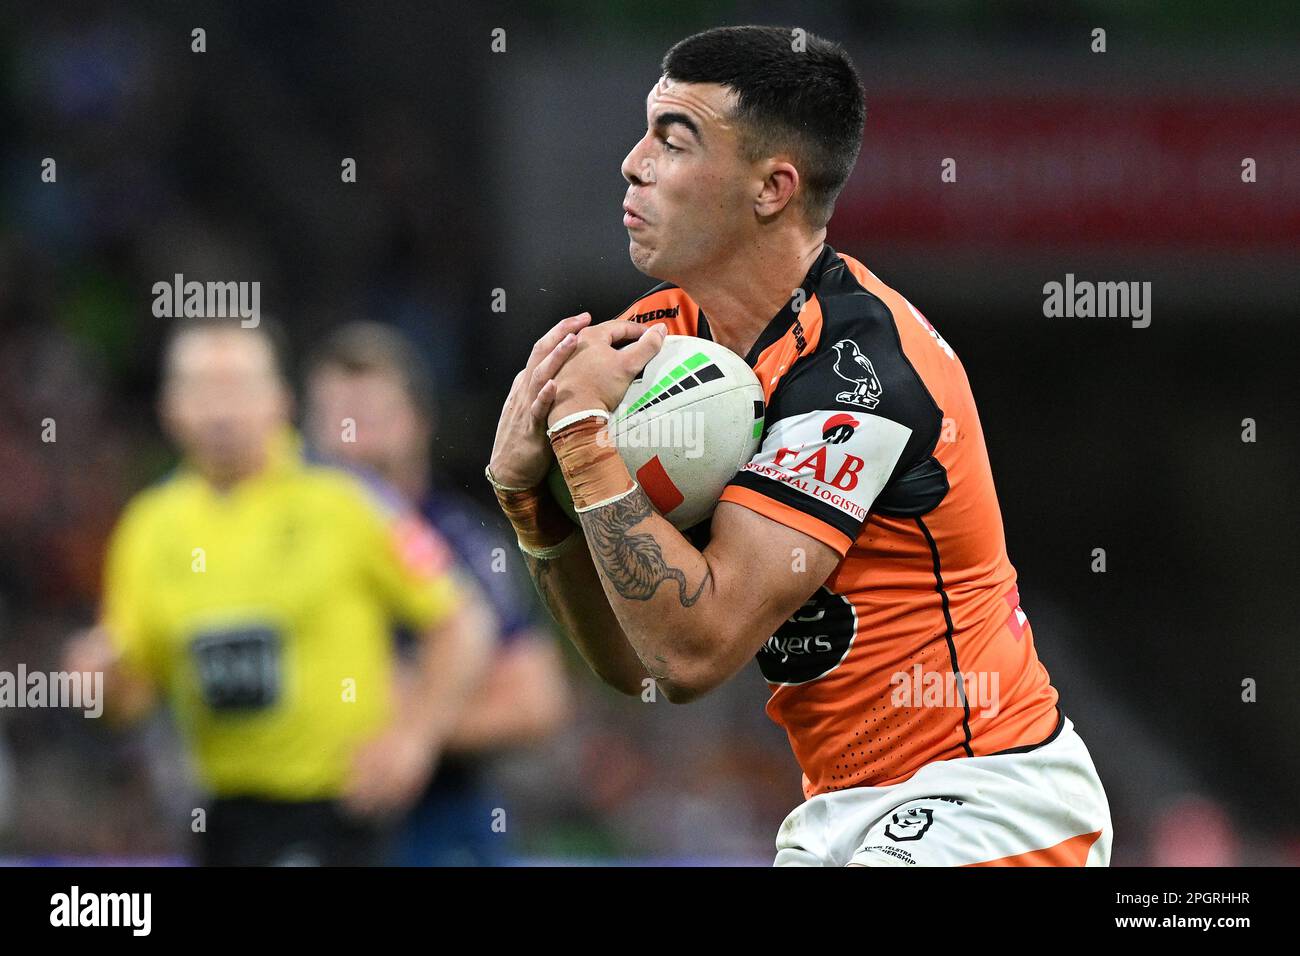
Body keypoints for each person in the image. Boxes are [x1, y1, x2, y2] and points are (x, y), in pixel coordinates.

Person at [487, 25, 1112, 867]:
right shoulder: (655, 344)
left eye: (674, 140)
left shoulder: (861, 374)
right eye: (643, 132)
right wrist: (531, 508)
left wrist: (583, 438)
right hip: (836, 815)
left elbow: (697, 648)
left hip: (989, 799)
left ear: (773, 188)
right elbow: (645, 667)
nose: (633, 162)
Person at [65, 316, 495, 865]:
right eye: (201, 387)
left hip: (335, 813)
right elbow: (133, 689)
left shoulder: (347, 502)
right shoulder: (149, 528)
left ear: (280, 401)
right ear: (168, 406)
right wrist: (98, 681)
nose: (220, 408)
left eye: (239, 386)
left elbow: (460, 620)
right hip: (220, 817)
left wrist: (416, 738)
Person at [303, 321, 570, 866]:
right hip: (302, 810)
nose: (352, 436)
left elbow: (535, 701)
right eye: (336, 419)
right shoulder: (280, 542)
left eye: (371, 416)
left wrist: (412, 728)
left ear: (418, 423)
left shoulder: (462, 545)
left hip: (440, 822)